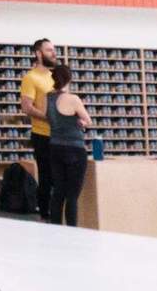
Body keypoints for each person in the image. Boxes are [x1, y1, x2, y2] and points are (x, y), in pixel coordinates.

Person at [46, 63, 92, 227]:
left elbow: (50, 118)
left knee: (58, 192)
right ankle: (72, 232)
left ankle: (55, 229)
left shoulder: (49, 98)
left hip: (55, 148)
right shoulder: (73, 99)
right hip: (74, 150)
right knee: (72, 196)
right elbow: (88, 120)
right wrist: (80, 121)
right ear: (69, 79)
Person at [19, 37, 57, 221]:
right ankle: (45, 214)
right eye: (49, 50)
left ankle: (57, 212)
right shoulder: (30, 78)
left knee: (60, 177)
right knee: (47, 176)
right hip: (42, 135)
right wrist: (50, 118)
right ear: (38, 53)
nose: (53, 53)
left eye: (53, 49)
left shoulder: (54, 77)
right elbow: (27, 107)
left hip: (60, 135)